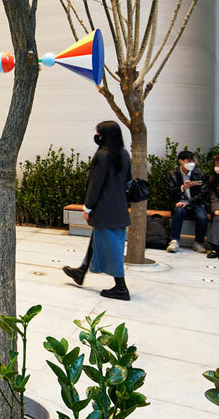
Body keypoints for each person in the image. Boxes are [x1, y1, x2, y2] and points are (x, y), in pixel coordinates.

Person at [62, 120, 133, 301]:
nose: (97, 137)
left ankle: (121, 288)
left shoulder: (103, 156)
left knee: (113, 248)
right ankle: (81, 271)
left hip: (104, 209)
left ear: (104, 136)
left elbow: (95, 184)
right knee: (101, 240)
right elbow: (127, 182)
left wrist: (87, 207)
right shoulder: (124, 154)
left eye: (99, 133)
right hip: (119, 209)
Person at [166, 150, 207, 253]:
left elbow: (202, 194)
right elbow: (170, 191)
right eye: (189, 161)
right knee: (178, 212)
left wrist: (189, 202)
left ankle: (198, 242)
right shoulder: (172, 174)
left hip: (195, 203)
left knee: (202, 217)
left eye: (193, 161)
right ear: (181, 161)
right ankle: (174, 241)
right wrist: (182, 187)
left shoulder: (200, 174)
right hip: (179, 203)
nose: (192, 163)